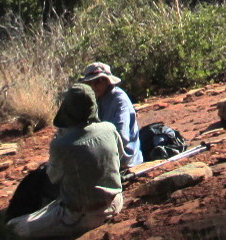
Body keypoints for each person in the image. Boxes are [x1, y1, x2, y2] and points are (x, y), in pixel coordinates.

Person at [7, 84, 129, 237]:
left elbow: (52, 178)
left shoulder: (61, 145)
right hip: (114, 203)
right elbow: (122, 159)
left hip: (79, 217)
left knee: (14, 227)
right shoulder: (109, 129)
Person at [78, 62, 142, 167]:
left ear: (107, 81)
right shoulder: (94, 99)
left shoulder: (119, 101)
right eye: (90, 83)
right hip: (103, 155)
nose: (94, 86)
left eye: (98, 81)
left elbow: (121, 138)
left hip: (123, 159)